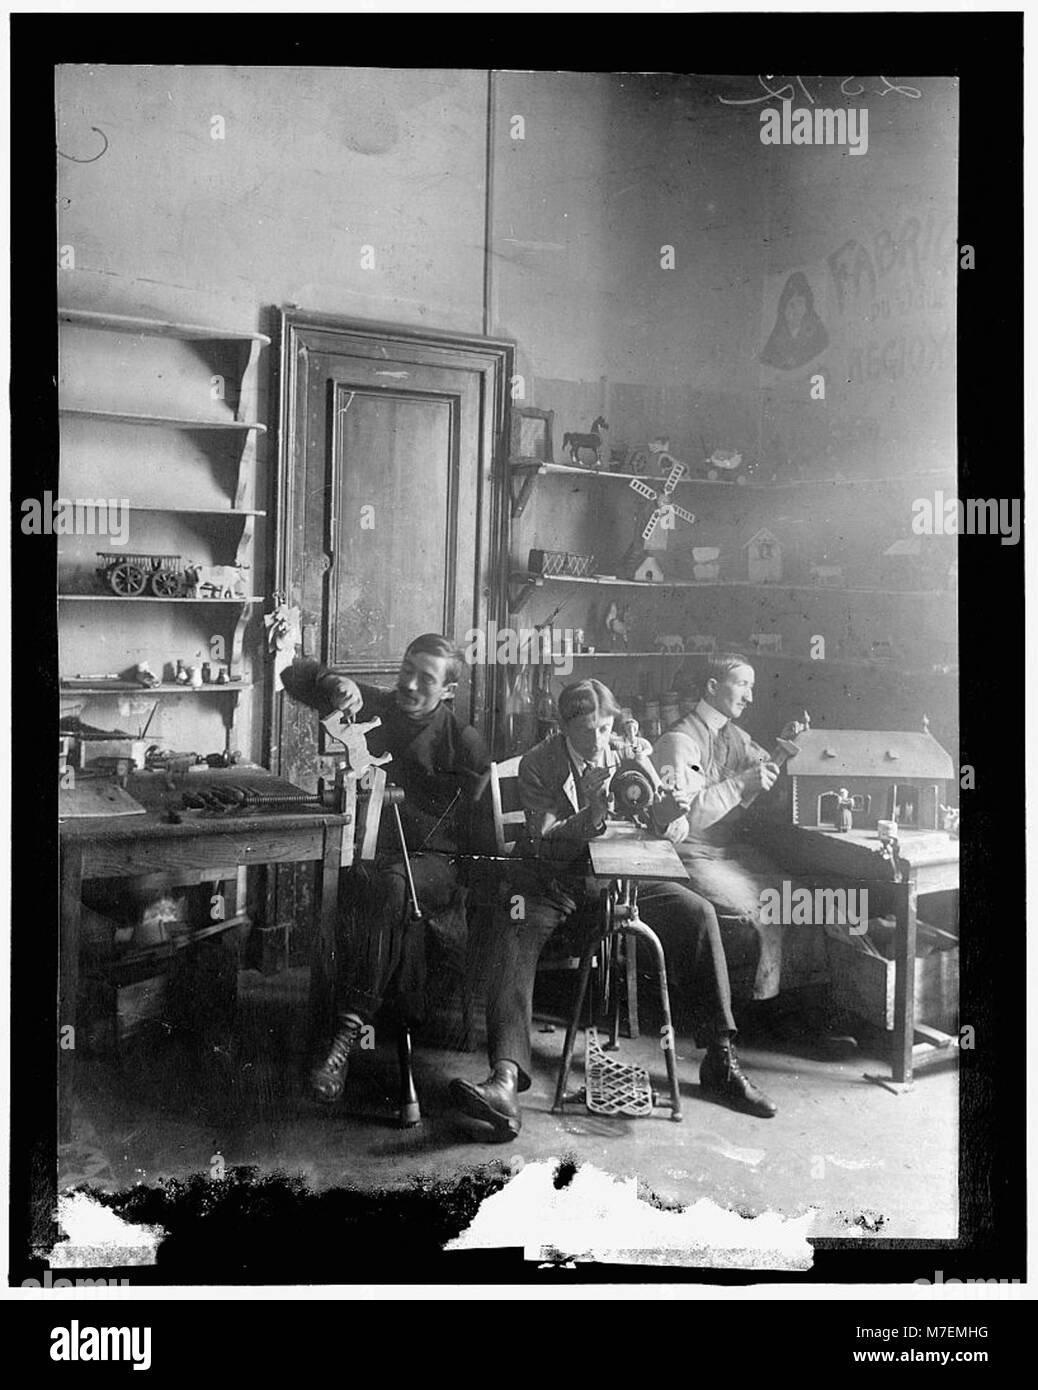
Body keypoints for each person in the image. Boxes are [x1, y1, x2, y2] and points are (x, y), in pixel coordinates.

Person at [449, 678, 776, 1141]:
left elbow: (662, 823)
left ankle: (721, 1059)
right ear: (563, 728)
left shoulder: (625, 752)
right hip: (558, 888)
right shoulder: (539, 765)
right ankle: (505, 1082)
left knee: (698, 913)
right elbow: (545, 841)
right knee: (512, 928)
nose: (599, 741)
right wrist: (592, 812)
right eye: (587, 732)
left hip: (624, 885)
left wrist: (670, 812)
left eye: (605, 729)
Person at [282, 634, 491, 1104]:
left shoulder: (466, 745)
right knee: (361, 880)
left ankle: (344, 1036)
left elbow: (480, 837)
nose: (411, 684)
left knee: (394, 886)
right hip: (371, 853)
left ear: (448, 691)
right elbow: (290, 677)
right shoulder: (373, 705)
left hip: (436, 865)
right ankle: (333, 1018)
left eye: (426, 678)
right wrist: (333, 682)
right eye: (407, 669)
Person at [650, 652, 828, 999]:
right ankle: (771, 1010)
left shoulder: (734, 735)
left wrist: (791, 746)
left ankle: (803, 1014)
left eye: (752, 687)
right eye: (743, 685)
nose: (750, 696)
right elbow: (683, 820)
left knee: (803, 900)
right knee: (762, 912)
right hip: (690, 857)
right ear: (713, 686)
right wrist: (741, 783)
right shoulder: (679, 740)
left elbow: (762, 772)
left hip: (727, 853)